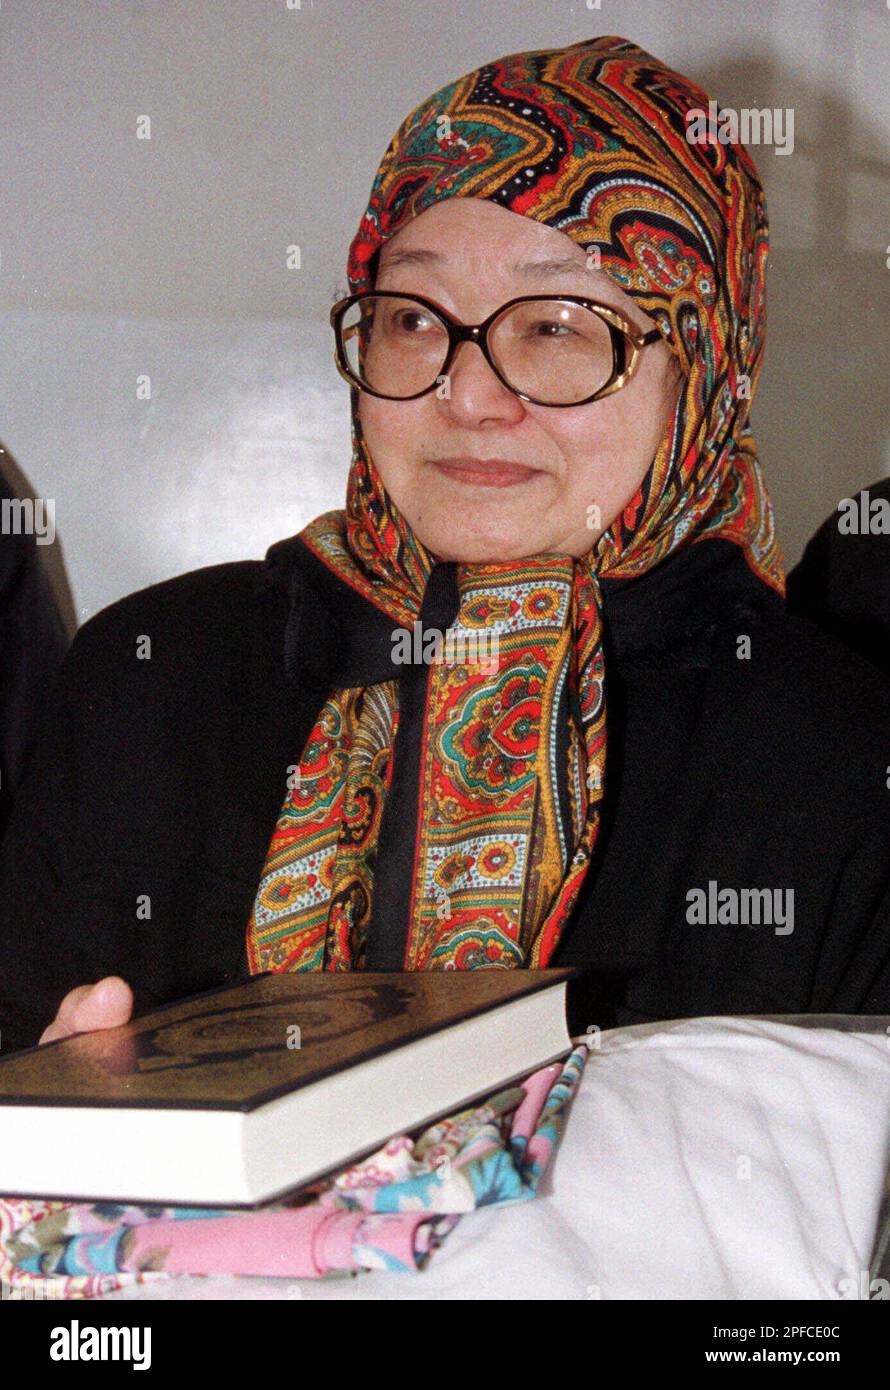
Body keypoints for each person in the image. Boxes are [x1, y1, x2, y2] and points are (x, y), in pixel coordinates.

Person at [2, 34, 889, 1056]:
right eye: (416, 319)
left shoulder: (831, 748)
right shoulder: (153, 676)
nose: (466, 394)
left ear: (700, 360)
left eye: (555, 326)